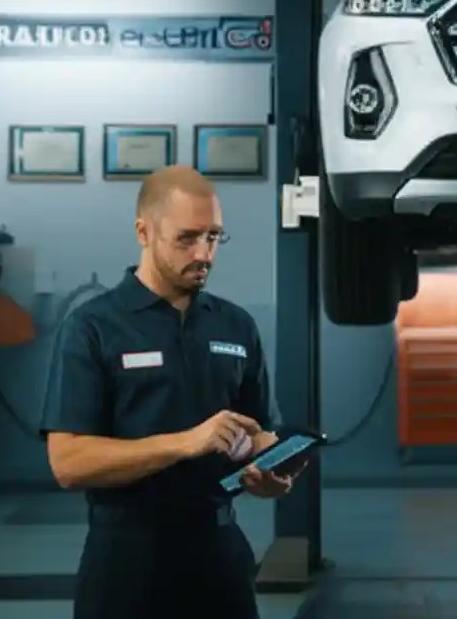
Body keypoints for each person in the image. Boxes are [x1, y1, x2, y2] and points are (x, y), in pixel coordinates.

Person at [39, 166, 298, 619]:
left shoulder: (235, 326)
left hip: (219, 556)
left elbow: (261, 435)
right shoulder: (93, 327)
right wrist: (186, 442)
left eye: (215, 237)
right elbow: (68, 462)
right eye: (187, 238)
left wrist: (271, 474)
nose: (204, 253)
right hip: (125, 560)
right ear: (144, 231)